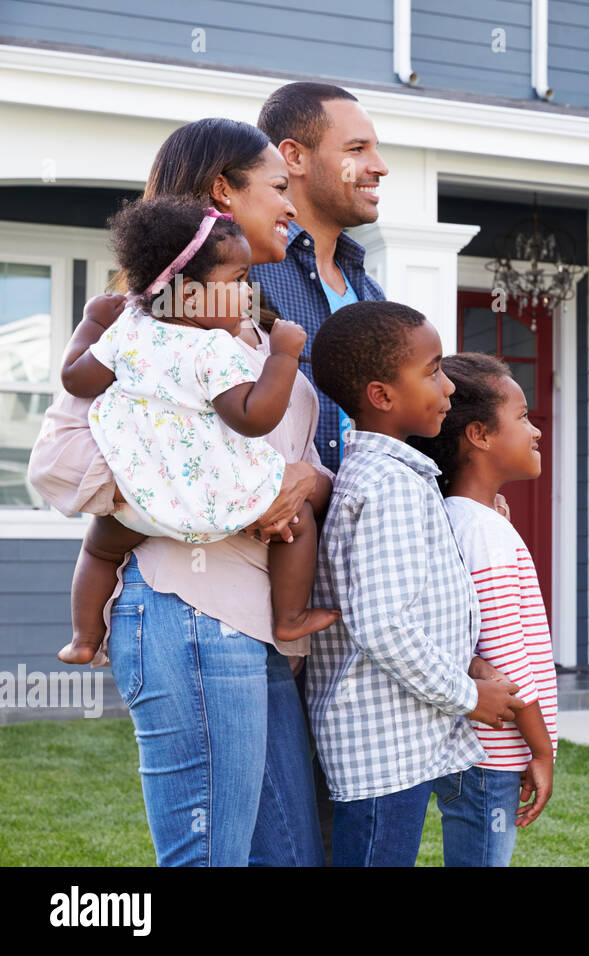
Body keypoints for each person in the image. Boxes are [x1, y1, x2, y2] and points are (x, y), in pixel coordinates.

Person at [27, 118, 330, 866]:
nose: (291, 205)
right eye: (278, 187)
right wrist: (215, 502)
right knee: (208, 858)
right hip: (190, 615)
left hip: (257, 627)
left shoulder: (252, 329)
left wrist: (304, 483)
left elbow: (293, 462)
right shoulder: (138, 327)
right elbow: (60, 467)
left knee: (290, 858)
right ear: (223, 192)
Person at [58, 197, 339, 667]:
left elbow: (76, 379)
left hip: (142, 497)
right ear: (190, 296)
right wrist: (283, 357)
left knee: (99, 549)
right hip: (219, 499)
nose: (248, 294)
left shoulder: (128, 330)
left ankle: (85, 638)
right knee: (297, 523)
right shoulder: (214, 347)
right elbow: (253, 417)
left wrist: (91, 322)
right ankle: (290, 617)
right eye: (239, 280)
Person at [306, 301, 526, 867]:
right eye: (433, 371)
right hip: (383, 748)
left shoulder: (395, 475)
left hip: (395, 739)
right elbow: (383, 625)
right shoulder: (391, 487)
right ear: (382, 395)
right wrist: (469, 695)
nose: (448, 385)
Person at [411, 353, 558, 867]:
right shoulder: (484, 532)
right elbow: (505, 658)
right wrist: (541, 750)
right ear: (479, 435)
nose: (536, 430)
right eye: (522, 417)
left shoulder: (458, 519)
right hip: (492, 753)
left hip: (470, 747)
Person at [251, 81, 388, 475]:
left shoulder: (372, 295)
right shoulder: (243, 274)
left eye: (375, 149)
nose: (380, 166)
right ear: (294, 157)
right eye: (357, 149)